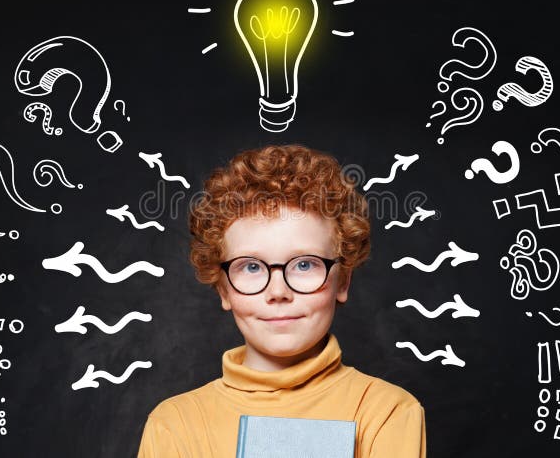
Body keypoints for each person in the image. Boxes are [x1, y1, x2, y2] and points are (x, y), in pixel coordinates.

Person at [137, 144, 426, 457]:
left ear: (342, 281)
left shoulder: (387, 412)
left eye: (304, 264)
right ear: (223, 290)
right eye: (251, 267)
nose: (278, 291)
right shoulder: (174, 424)